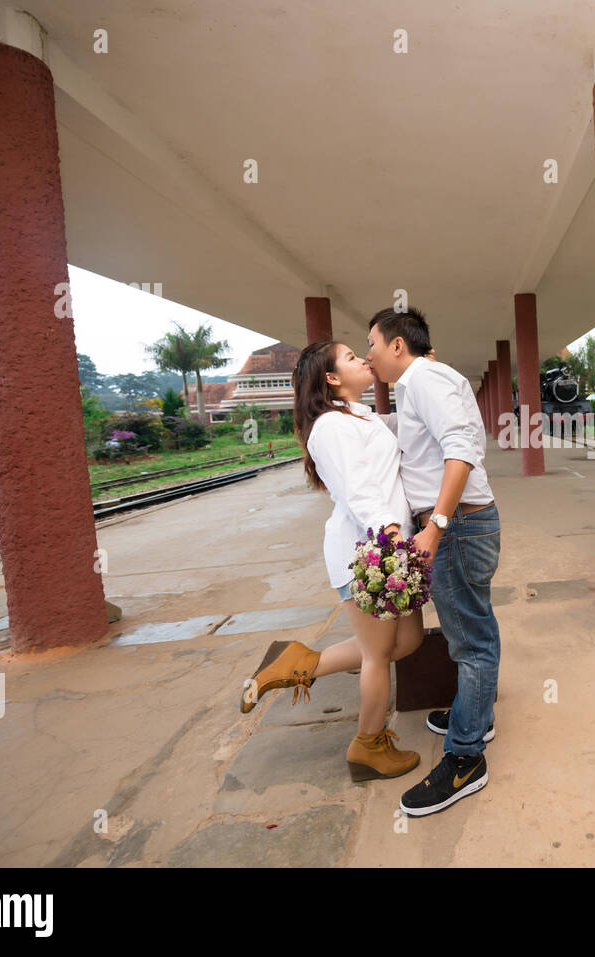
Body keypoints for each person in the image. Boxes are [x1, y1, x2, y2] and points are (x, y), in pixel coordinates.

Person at [239, 340, 424, 782]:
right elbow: (360, 490)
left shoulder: (358, 416)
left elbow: (409, 427)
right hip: (369, 553)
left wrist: (422, 369)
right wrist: (393, 535)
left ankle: (296, 664)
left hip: (385, 551)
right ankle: (368, 745)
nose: (363, 359)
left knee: (408, 641)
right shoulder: (331, 427)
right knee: (379, 656)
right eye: (351, 357)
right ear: (332, 378)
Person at [367, 305, 501, 817]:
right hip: (463, 524)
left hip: (458, 527)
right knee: (474, 629)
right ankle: (477, 713)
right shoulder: (421, 383)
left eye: (373, 345)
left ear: (398, 345)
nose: (371, 356)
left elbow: (461, 447)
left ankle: (467, 758)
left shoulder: (423, 378)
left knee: (471, 642)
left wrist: (435, 527)